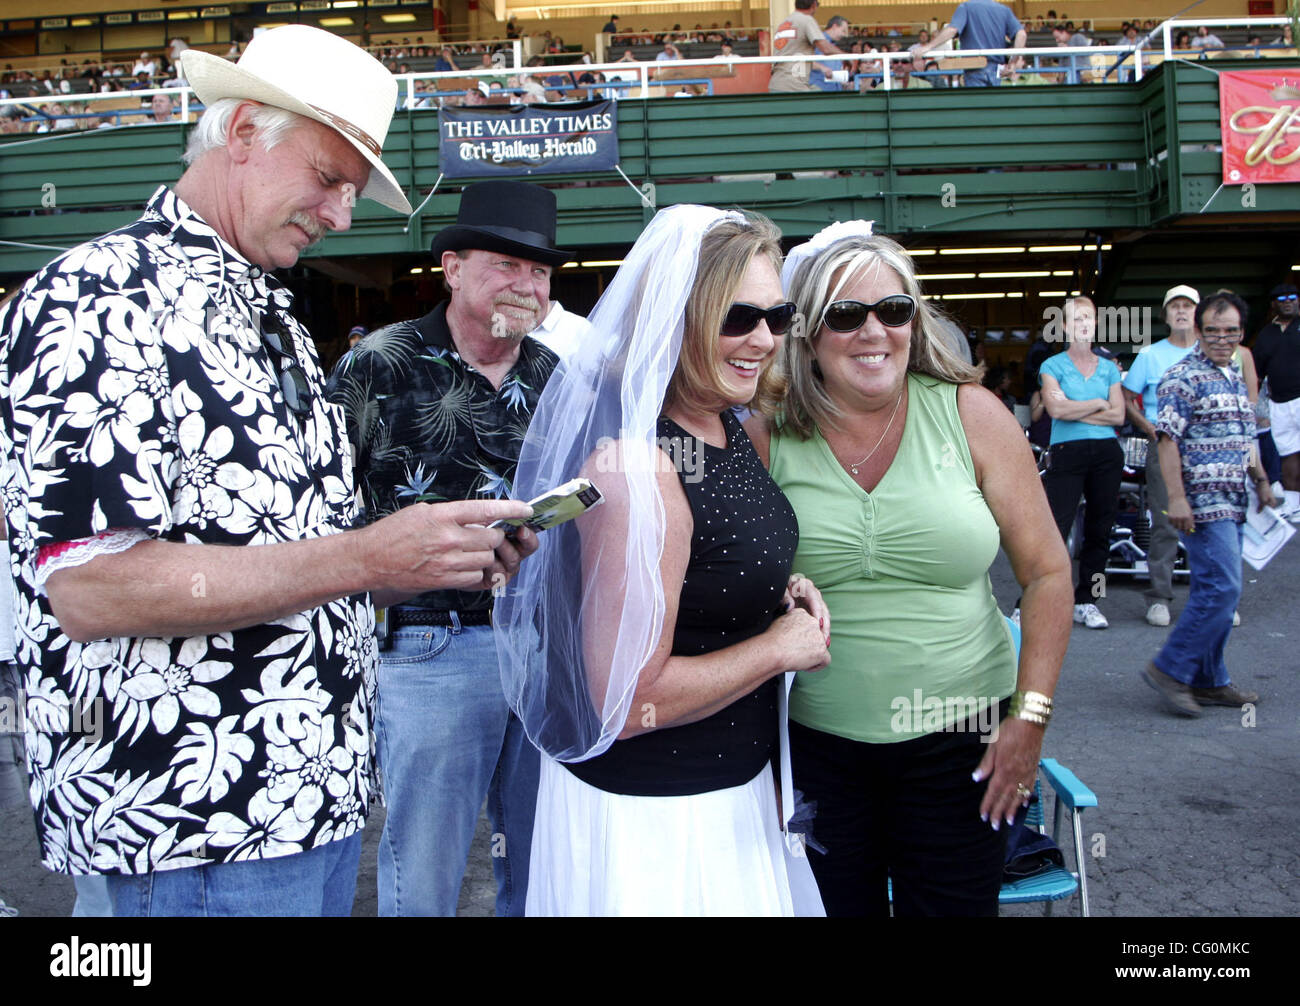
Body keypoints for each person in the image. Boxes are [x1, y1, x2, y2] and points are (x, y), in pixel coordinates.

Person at [0, 25, 533, 919]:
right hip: (188, 821)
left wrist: (413, 568)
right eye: (329, 179)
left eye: (350, 191)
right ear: (243, 132)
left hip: (298, 807)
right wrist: (365, 560)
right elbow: (92, 588)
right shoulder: (100, 294)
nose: (341, 215)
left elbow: (278, 557)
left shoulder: (265, 305)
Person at [499, 206, 832, 916]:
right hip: (660, 830)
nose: (763, 339)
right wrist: (779, 648)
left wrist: (775, 590)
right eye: (737, 317)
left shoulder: (723, 423)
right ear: (675, 319)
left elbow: (706, 566)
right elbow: (625, 704)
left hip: (731, 797)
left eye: (779, 316)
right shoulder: (635, 467)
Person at [745, 222, 1071, 916]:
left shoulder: (972, 416)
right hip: (815, 749)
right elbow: (729, 577)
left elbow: (1047, 573)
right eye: (845, 314)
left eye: (894, 310)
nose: (873, 331)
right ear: (804, 331)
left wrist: (1030, 720)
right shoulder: (766, 433)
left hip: (964, 746)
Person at [326, 181, 565, 917]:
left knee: (539, 859)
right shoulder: (378, 365)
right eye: (506, 265)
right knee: (423, 870)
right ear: (453, 268)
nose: (526, 285)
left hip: (539, 645)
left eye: (539, 271)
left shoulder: (556, 377)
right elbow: (321, 513)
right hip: (429, 646)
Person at [1142, 292, 1275, 716]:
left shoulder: (1234, 375)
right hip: (1201, 503)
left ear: (1241, 332)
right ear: (1198, 331)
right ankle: (1170, 668)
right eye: (1213, 331)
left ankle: (1210, 681)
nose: (1222, 338)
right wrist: (1177, 498)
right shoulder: (1183, 377)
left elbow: (1244, 437)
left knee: (1213, 590)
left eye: (1231, 331)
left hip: (1234, 499)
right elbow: (1167, 441)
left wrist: (1262, 480)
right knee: (1224, 590)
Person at [1037, 297, 1125, 629]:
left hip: (1106, 454)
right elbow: (1057, 410)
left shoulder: (1109, 368)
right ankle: (1041, 599)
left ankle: (1088, 600)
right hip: (1067, 451)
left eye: (1088, 317)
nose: (1082, 324)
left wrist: (1081, 406)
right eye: (1076, 319)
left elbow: (1118, 415)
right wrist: (1099, 402)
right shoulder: (1052, 366)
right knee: (1056, 527)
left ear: (1097, 323)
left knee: (1100, 530)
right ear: (1064, 326)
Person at [1122, 285, 1198, 626]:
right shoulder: (1149, 355)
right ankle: (1160, 598)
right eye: (1175, 307)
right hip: (1163, 444)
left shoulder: (1211, 351)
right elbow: (1125, 398)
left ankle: (1212, 598)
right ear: (1166, 315)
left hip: (1205, 447)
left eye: (1188, 306)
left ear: (1198, 312)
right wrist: (1148, 427)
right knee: (1165, 522)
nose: (1181, 311)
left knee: (1210, 522)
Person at [1253, 283, 1300, 518]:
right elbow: (1257, 375)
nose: (1288, 301)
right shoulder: (1266, 334)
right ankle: (1294, 504)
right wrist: (1256, 407)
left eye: (1293, 297)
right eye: (1282, 298)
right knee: (1287, 453)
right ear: (1274, 304)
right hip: (1279, 402)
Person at [920, 0, 1026, 87]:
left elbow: (952, 30)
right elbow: (1021, 35)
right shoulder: (1004, 10)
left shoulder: (965, 7)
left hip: (974, 70)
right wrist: (1013, 63)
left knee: (978, 109)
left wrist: (928, 47)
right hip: (997, 71)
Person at [769, 0, 845, 93]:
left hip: (776, 83)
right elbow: (825, 48)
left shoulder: (784, 23)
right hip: (794, 84)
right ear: (813, 5)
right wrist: (847, 56)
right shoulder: (806, 20)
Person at [810, 15, 851, 91]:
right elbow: (804, 61)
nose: (845, 35)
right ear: (835, 26)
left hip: (834, 91)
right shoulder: (816, 41)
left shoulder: (833, 46)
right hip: (819, 90)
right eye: (843, 31)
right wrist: (822, 68)